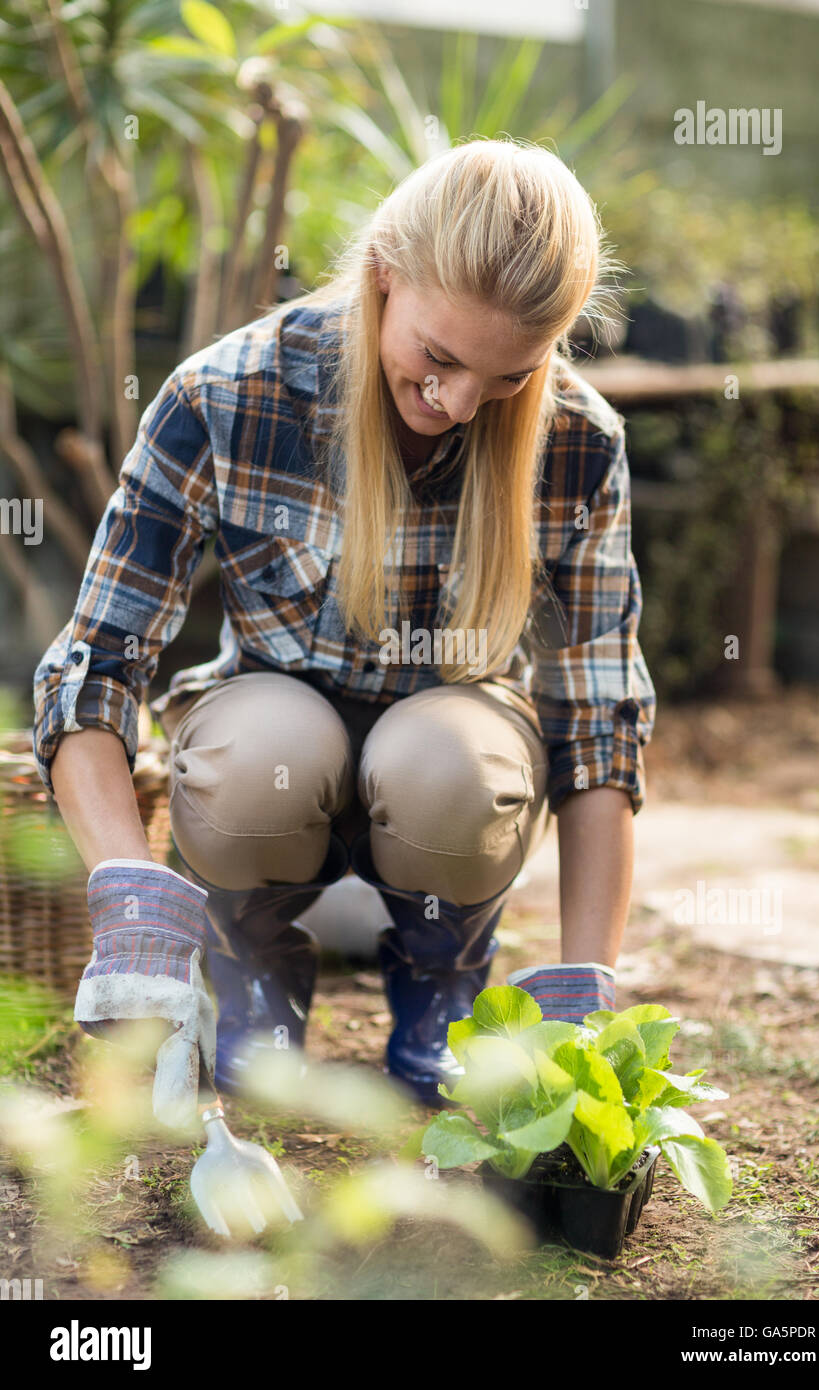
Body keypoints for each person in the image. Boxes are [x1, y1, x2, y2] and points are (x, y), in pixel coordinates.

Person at [33, 137, 656, 1118]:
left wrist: (587, 985)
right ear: (381, 275)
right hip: (273, 748)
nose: (456, 405)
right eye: (438, 359)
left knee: (444, 769)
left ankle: (441, 982)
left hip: (444, 757)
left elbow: (597, 724)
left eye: (505, 376)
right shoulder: (224, 396)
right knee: (255, 758)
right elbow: (94, 666)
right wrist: (129, 897)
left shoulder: (579, 440)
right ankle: (252, 978)